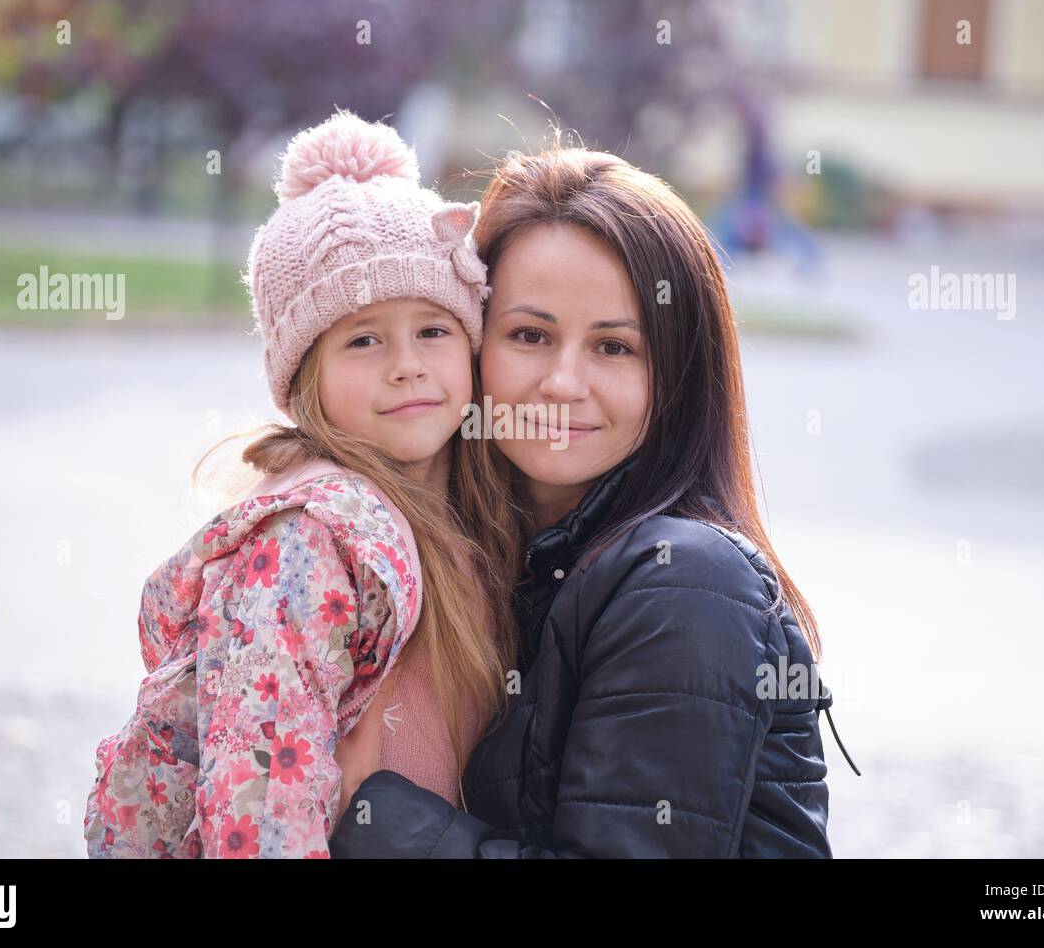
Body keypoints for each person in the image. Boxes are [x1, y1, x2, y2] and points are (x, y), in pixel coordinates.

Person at [329, 137, 858, 858]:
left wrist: (382, 821)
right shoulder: (491, 564)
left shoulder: (686, 581)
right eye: (528, 335)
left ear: (676, 376)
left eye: (614, 348)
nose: (562, 383)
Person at [83, 109, 521, 858]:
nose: (406, 363)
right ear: (303, 374)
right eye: (363, 339)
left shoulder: (461, 513)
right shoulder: (305, 543)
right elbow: (258, 797)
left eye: (434, 330)